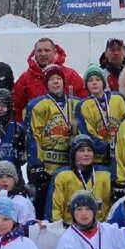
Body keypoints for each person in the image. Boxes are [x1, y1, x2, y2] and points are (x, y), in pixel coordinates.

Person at [26, 65, 78, 216]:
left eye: (58, 78)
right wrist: (36, 164)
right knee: (44, 203)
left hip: (68, 163)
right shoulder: (37, 105)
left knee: (67, 202)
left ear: (64, 82)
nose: (55, 82)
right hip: (47, 165)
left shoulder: (76, 103)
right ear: (46, 83)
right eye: (51, 79)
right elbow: (33, 136)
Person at [12, 37, 85, 121]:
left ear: (54, 52)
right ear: (34, 53)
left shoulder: (70, 75)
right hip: (37, 127)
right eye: (39, 51)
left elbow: (85, 103)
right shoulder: (25, 78)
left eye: (47, 50)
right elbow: (16, 109)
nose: (43, 54)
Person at [47, 135, 112, 225]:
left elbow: (110, 207)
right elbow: (54, 210)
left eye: (89, 150)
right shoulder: (62, 175)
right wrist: (57, 229)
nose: (86, 154)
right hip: (68, 228)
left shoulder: (105, 174)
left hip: (99, 228)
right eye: (81, 150)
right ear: (73, 154)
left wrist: (106, 226)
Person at [76, 65, 125, 168]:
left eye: (98, 79)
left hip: (120, 155)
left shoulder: (118, 99)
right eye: (90, 80)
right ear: (86, 85)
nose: (94, 82)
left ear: (103, 82)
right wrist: (104, 147)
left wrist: (119, 145)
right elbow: (86, 133)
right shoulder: (83, 105)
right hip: (97, 159)